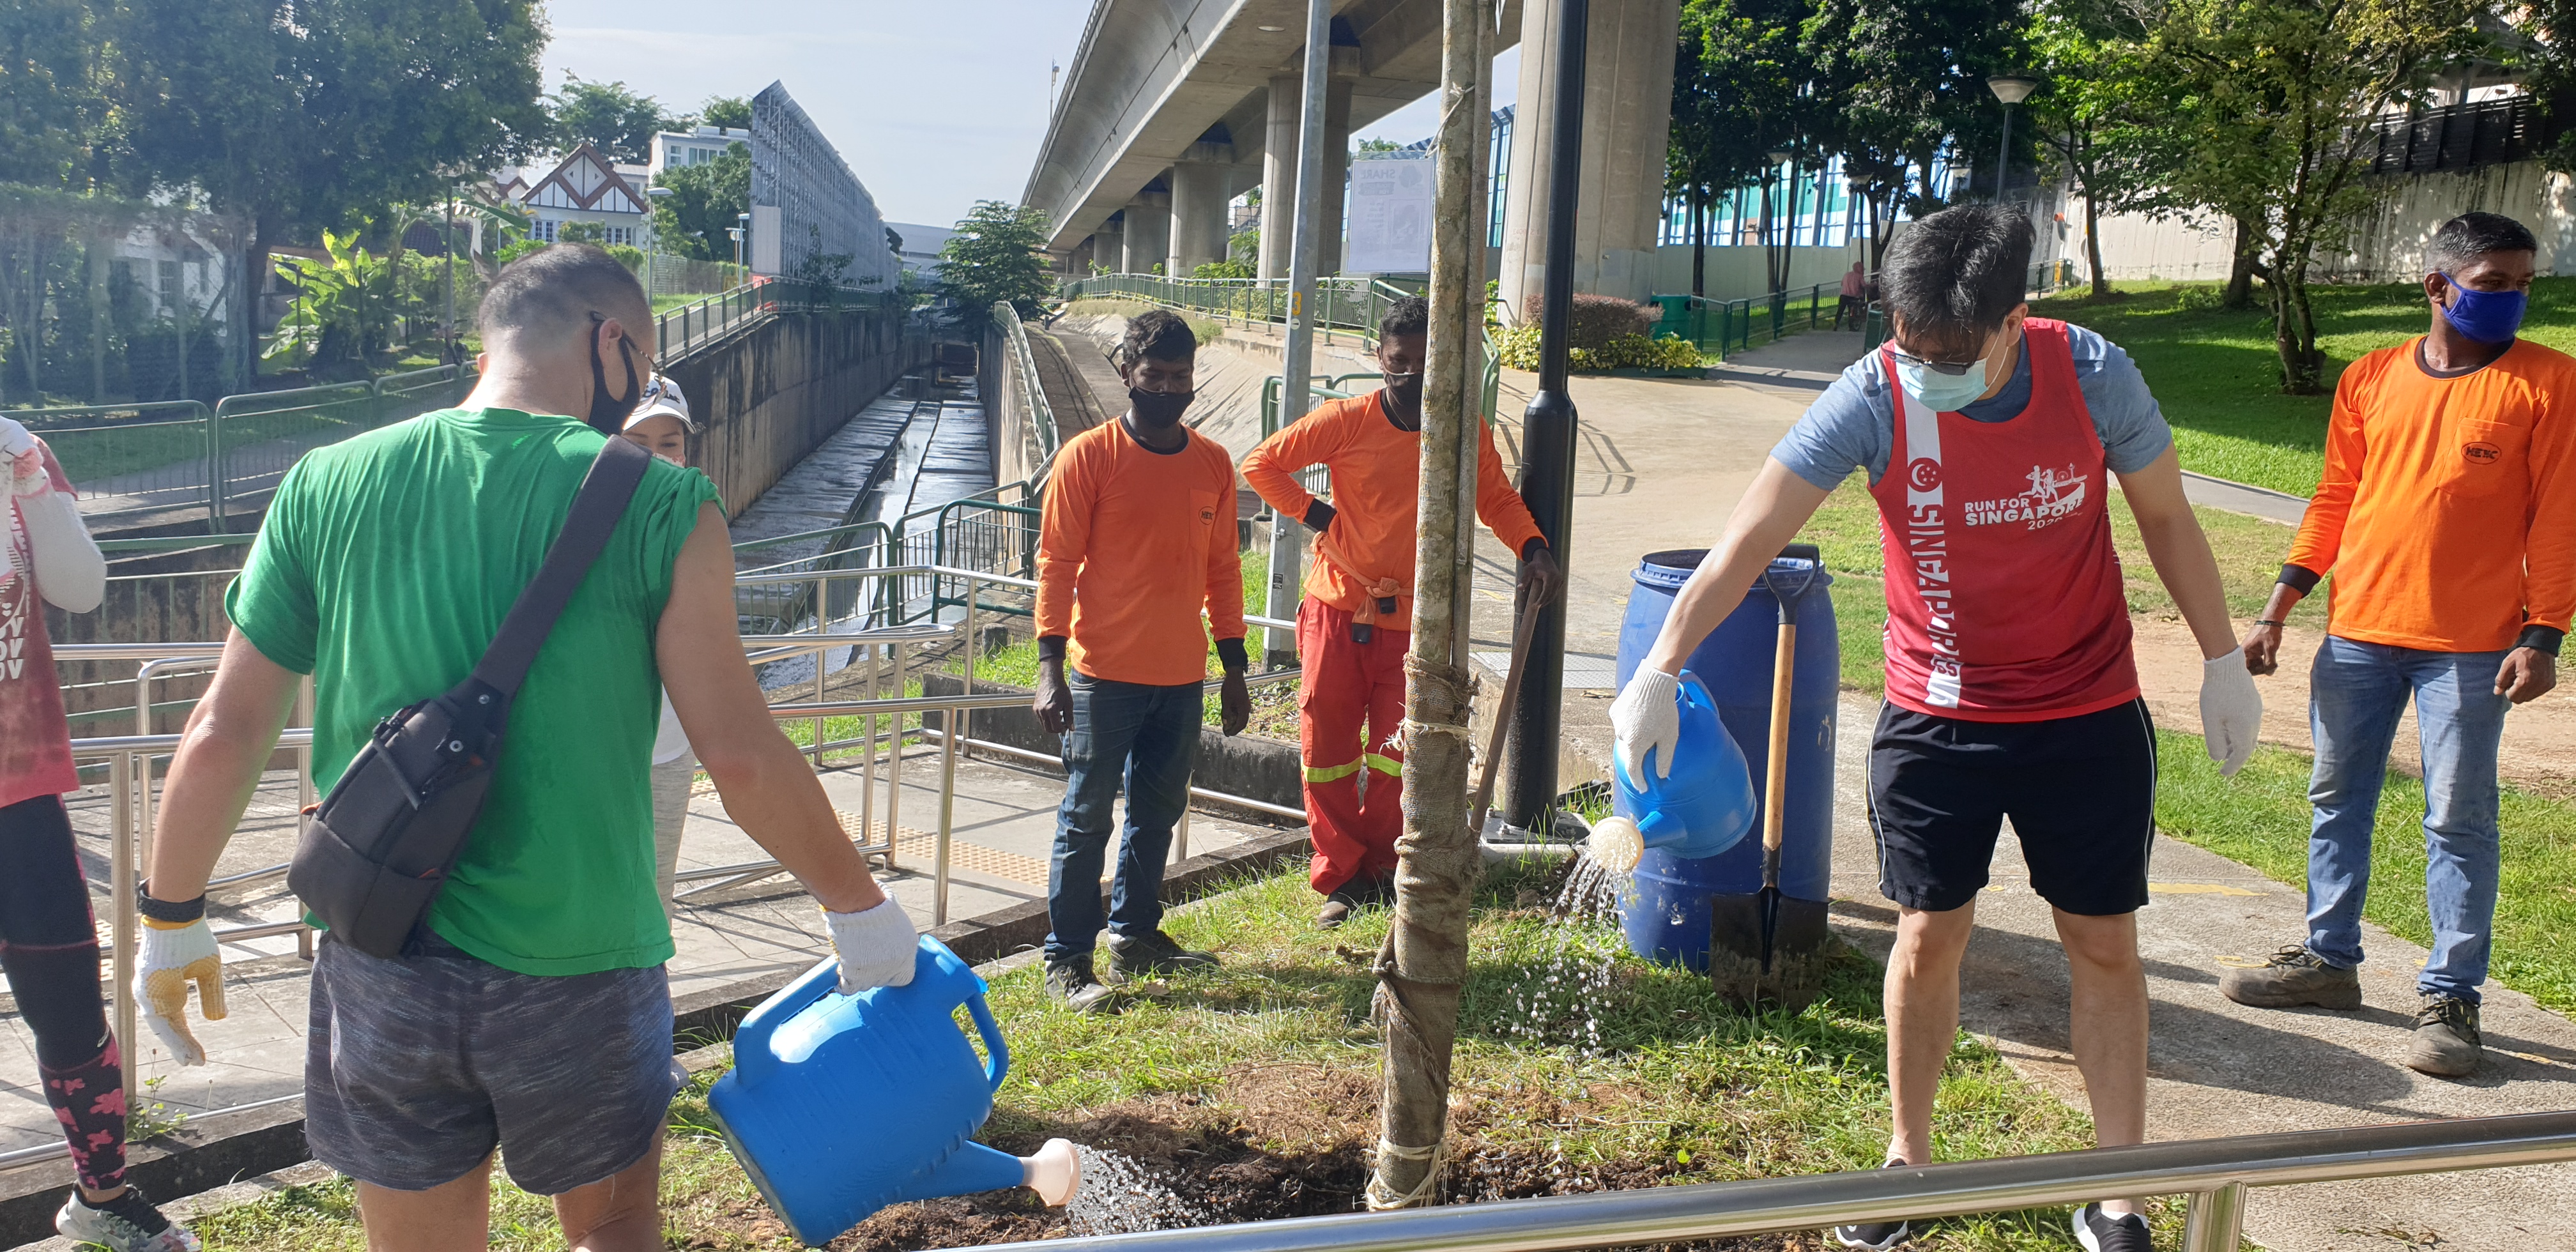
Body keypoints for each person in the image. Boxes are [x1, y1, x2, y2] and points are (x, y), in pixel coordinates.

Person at [134, 244, 917, 1252]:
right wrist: (861, 910)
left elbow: (223, 728)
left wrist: (172, 916)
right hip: (582, 961)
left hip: (382, 955)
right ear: (613, 346)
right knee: (617, 1223)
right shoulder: (665, 503)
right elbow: (742, 756)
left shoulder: (325, 482)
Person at [1607, 204, 2260, 1252]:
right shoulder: (1871, 397)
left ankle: (2118, 1191)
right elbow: (1745, 539)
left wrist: (2222, 659)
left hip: (2082, 712)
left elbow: (2168, 517)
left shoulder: (2093, 378)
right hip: (1935, 715)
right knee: (1928, 932)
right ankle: (1907, 1162)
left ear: (2016, 319)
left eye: (1954, 353)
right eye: (1911, 345)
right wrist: (1659, 665)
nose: (1926, 369)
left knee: (2100, 944)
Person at [2223, 211, 2576, 1078]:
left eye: (2525, 284)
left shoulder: (2551, 383)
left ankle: (2452, 997)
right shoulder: (2370, 379)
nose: (2514, 300)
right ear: (2437, 286)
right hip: (2357, 637)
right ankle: (2327, 961)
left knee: (2459, 816)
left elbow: (2563, 514)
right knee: (2335, 797)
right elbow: (2335, 499)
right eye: (2495, 284)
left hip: (2472, 646)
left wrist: (2546, 633)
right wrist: (2278, 608)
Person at [1240, 296, 1561, 927]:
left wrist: (1534, 547)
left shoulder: (1464, 430)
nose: (1411, 374)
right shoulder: (1346, 419)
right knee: (1326, 747)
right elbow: (1262, 464)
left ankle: (1387, 868)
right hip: (1336, 609)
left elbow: (1495, 498)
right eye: (1399, 361)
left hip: (1412, 620)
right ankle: (1340, 875)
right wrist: (1318, 515)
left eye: (1425, 361)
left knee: (1397, 751)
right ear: (1380, 359)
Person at [0, 420, 197, 1251]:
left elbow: (81, 588)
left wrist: (30, 482)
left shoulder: (21, 457)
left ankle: (103, 1197)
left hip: (20, 789)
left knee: (71, 1011)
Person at [1031, 309, 1252, 1012]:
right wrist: (1048, 666)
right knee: (1086, 816)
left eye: (1180, 377)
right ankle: (1067, 959)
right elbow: (1057, 565)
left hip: (1182, 678)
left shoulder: (1214, 463)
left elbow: (1223, 571)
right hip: (1103, 677)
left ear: (1193, 381)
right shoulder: (1088, 457)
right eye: (1153, 375)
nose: (1167, 388)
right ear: (1127, 373)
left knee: (1158, 812)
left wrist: (1235, 667)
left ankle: (1135, 934)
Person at [620, 373, 702, 913]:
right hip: (595, 748)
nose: (655, 457)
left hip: (670, 746)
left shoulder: (695, 521)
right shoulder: (574, 521)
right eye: (637, 444)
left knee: (653, 901)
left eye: (669, 444)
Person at [1837, 260, 1868, 331]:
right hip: (1854, 297)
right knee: (1852, 310)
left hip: (1844, 295)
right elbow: (1864, 285)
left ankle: (1836, 324)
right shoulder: (1859, 276)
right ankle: (1852, 325)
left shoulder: (1847, 275)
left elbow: (1842, 284)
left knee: (1840, 310)